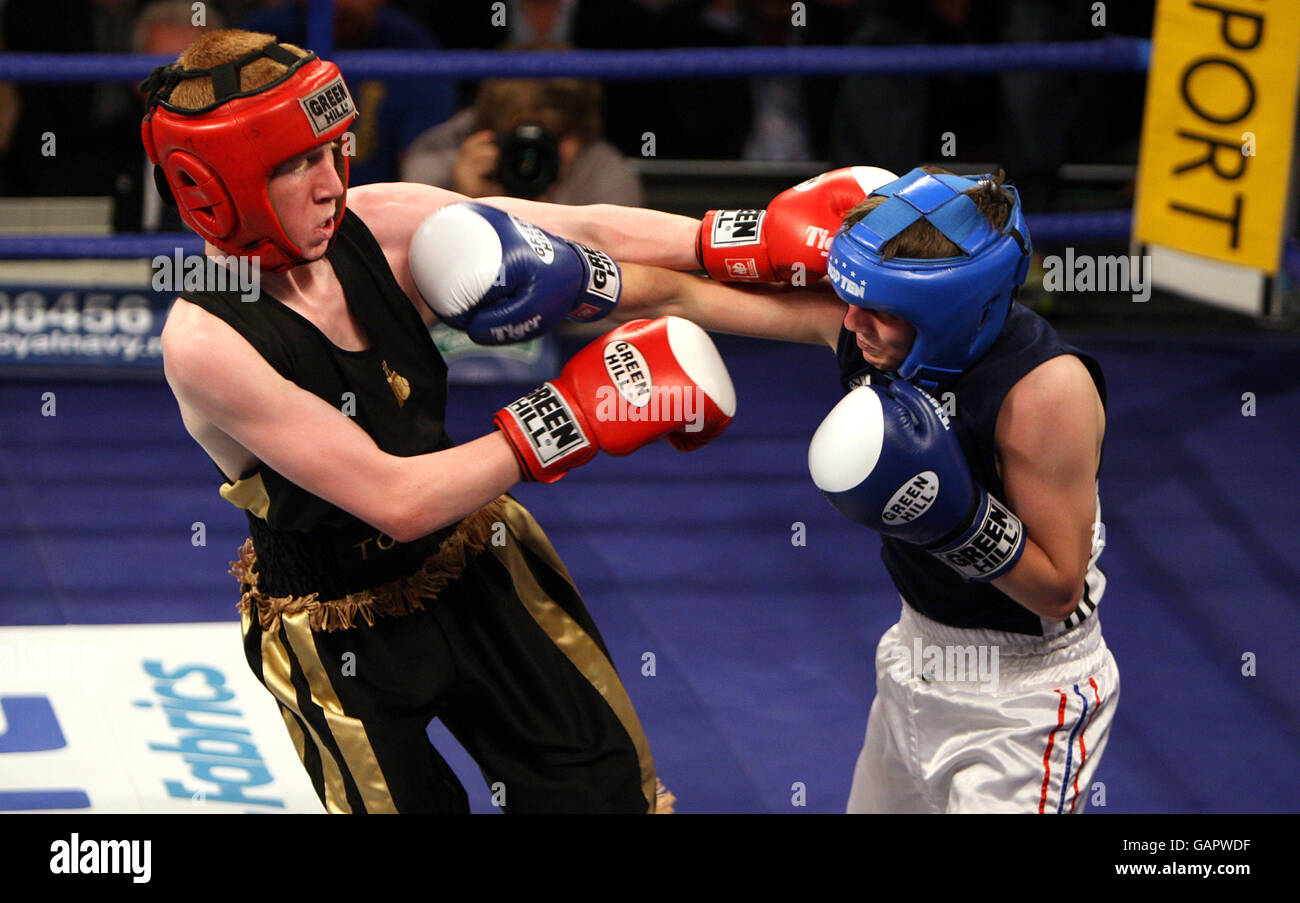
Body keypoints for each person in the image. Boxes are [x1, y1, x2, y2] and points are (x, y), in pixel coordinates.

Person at [140, 29, 735, 814]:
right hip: (332, 625)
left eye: (332, 151)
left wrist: (748, 242)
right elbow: (394, 497)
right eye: (295, 165)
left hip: (472, 557)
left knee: (603, 793)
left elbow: (583, 231)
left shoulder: (383, 222)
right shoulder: (206, 340)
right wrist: (572, 413)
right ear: (217, 188)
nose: (331, 185)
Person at [444, 164, 1119, 813]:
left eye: (878, 312)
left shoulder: (1043, 391)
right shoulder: (872, 326)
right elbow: (685, 294)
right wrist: (578, 277)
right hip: (916, 655)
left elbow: (1057, 587)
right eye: (852, 301)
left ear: (952, 313)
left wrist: (952, 516)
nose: (851, 322)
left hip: (1026, 696)